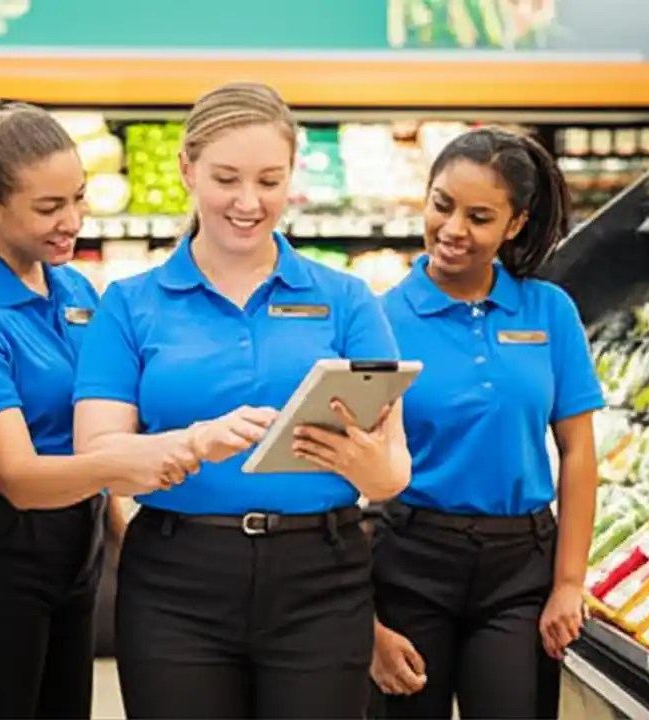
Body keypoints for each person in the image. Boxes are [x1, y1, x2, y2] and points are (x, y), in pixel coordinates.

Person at [72, 81, 412, 719]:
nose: (249, 202)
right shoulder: (129, 302)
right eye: (227, 178)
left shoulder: (347, 300)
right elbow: (97, 452)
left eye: (270, 180)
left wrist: (360, 461)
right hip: (177, 581)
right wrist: (194, 442)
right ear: (187, 170)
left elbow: (392, 474)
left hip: (323, 577)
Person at [0, 99, 190, 719]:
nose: (72, 220)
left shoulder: (74, 289)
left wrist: (127, 535)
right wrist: (130, 463)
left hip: (75, 543)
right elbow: (16, 476)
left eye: (79, 198)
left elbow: (96, 427)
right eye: (49, 207)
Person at [369, 127, 604, 720]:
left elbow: (577, 451)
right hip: (409, 562)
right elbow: (343, 477)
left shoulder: (550, 311)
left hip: (520, 569)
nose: (453, 230)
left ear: (515, 225)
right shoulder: (378, 321)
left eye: (479, 217)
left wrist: (568, 583)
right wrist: (364, 621)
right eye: (441, 205)